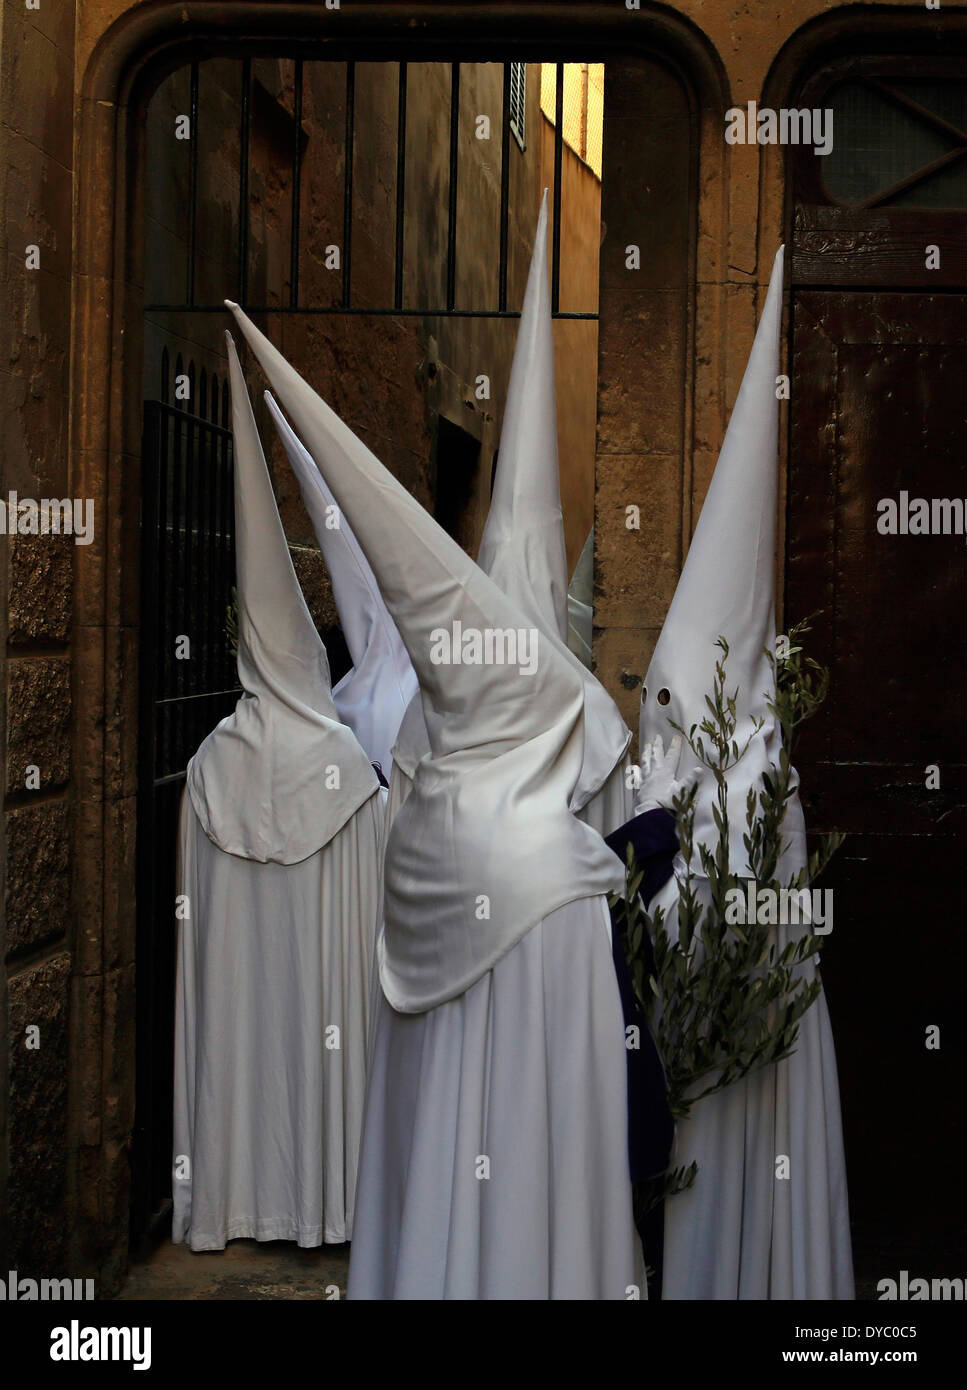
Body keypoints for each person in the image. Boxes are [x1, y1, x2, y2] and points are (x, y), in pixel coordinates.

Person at [172, 334, 385, 1251]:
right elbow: (370, 935)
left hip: (239, 1001)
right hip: (323, 1020)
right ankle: (322, 1200)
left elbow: (198, 942)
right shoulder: (346, 769)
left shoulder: (207, 767)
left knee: (238, 1032)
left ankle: (233, 1194)